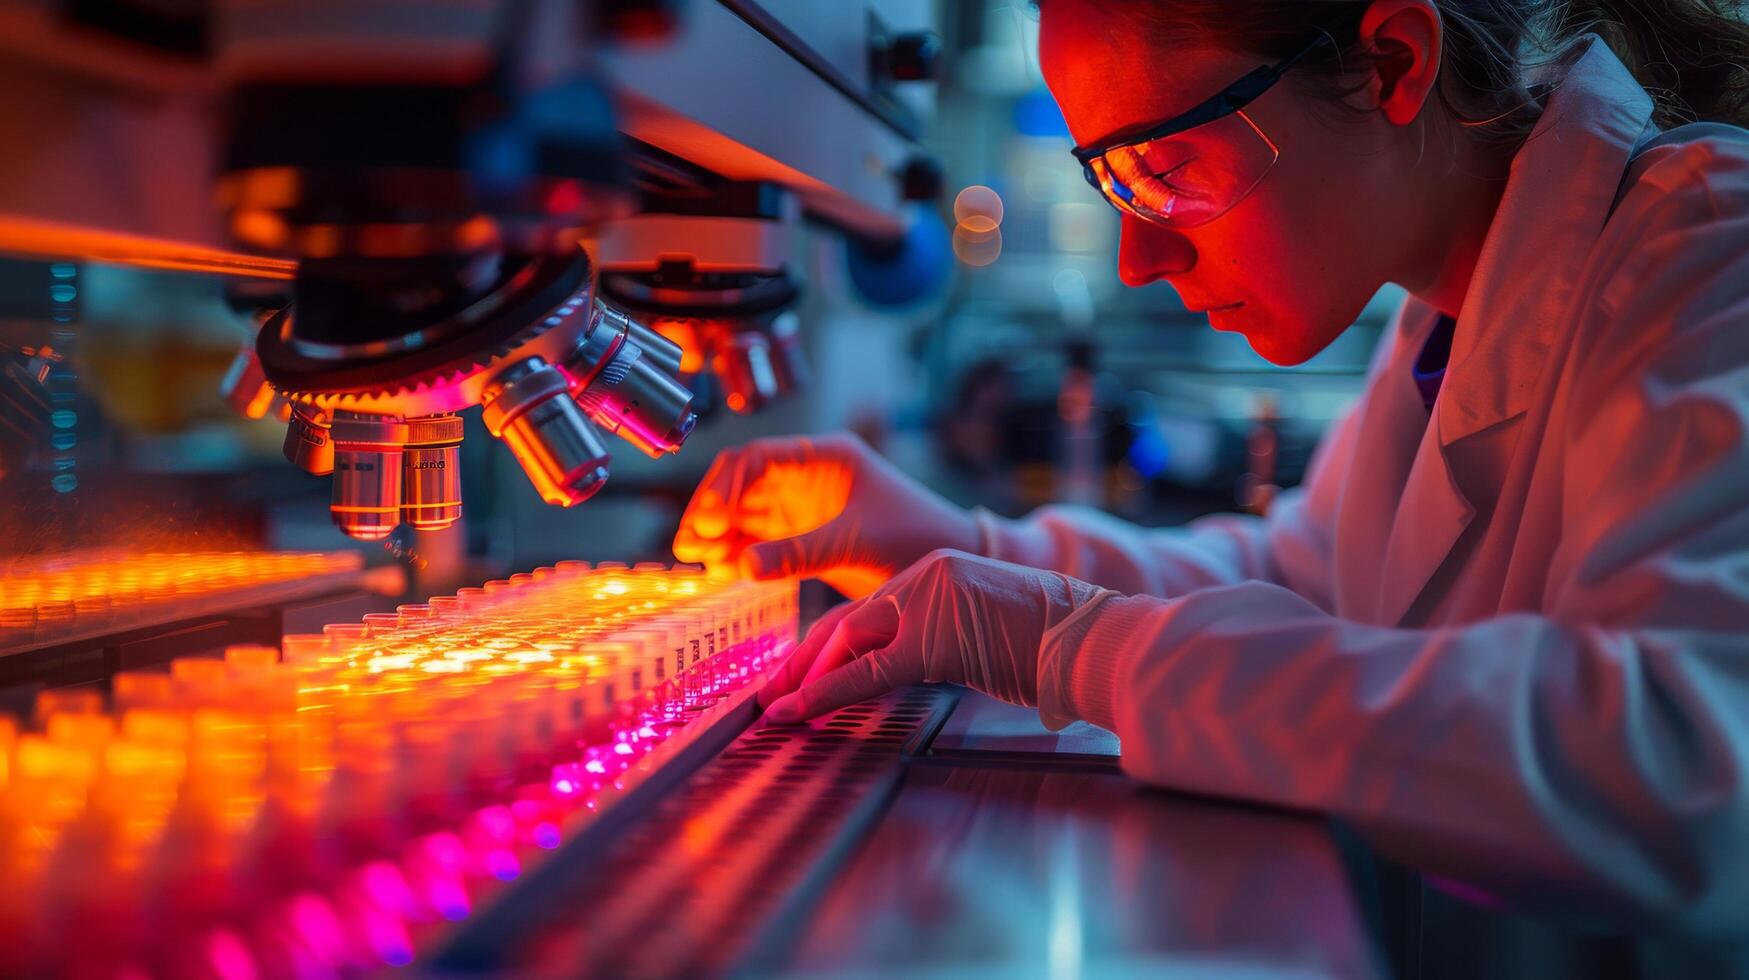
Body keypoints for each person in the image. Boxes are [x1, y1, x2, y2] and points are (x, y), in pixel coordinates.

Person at [672, 0, 1749, 936]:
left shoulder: (1709, 248)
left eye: (1163, 169)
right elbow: (1314, 576)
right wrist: (965, 548)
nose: (1139, 259)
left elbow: (1675, 773)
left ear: (1391, 66)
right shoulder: (1443, 303)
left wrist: (1069, 644)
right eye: (1113, 183)